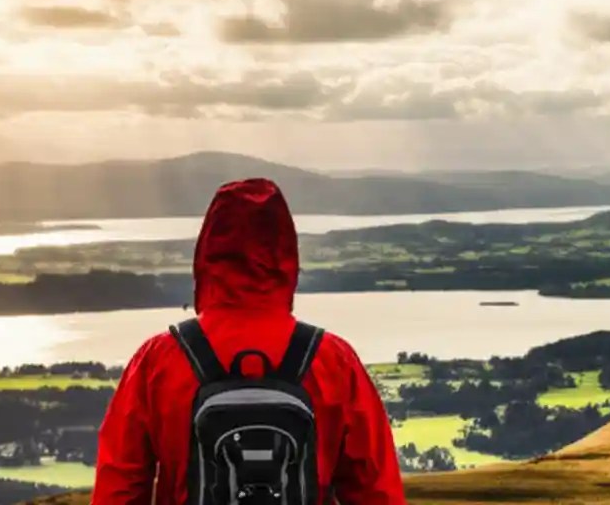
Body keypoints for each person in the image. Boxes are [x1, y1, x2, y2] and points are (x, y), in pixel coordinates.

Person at [92, 178, 405, 505]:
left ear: (206, 254)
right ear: (286, 254)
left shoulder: (158, 360)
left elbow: (118, 489)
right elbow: (377, 491)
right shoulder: (334, 361)